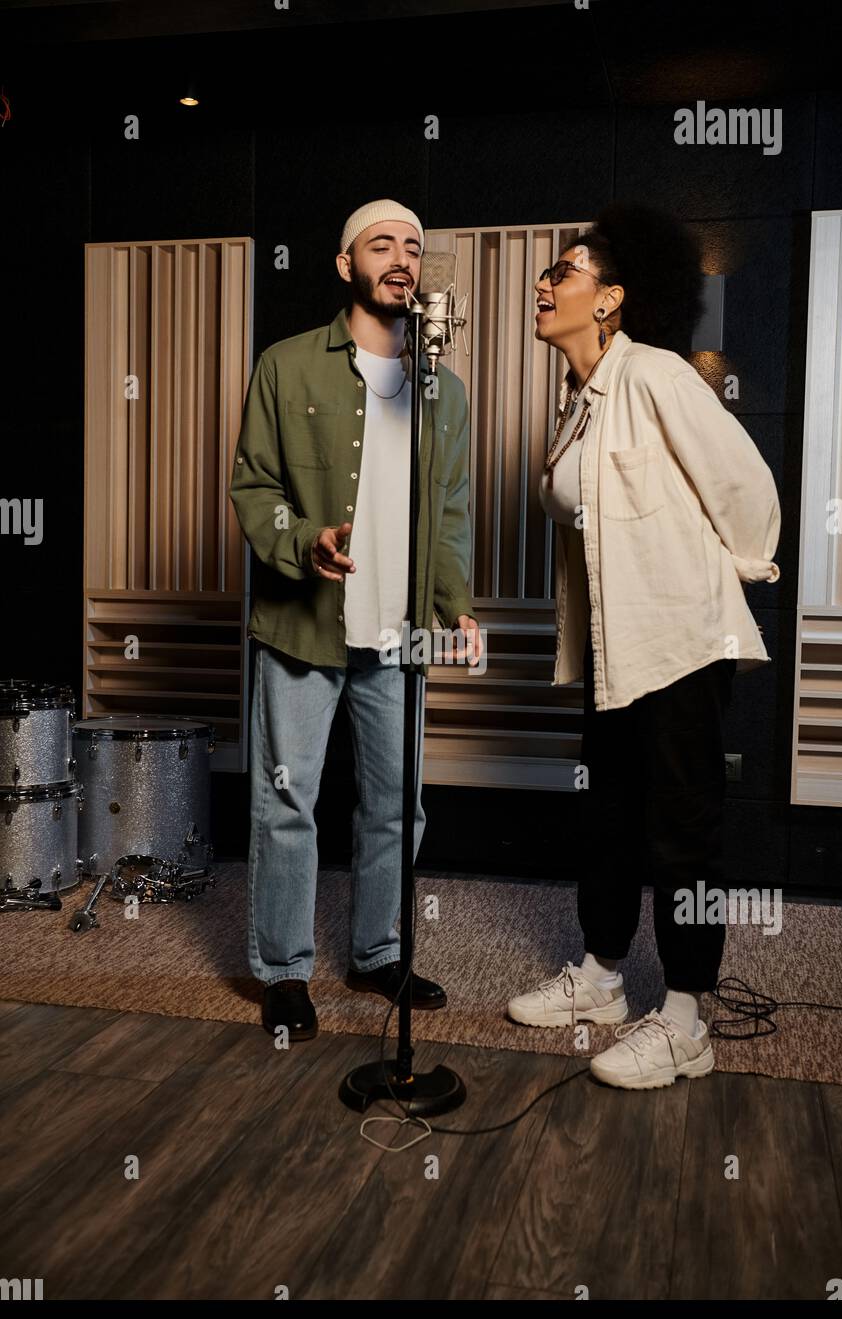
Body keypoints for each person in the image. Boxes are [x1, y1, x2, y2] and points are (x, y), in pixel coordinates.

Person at [506, 203, 781, 1089]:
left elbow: (745, 483)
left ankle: (688, 1020)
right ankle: (600, 981)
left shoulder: (657, 374)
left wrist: (727, 578)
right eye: (549, 271)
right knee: (611, 819)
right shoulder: (577, 404)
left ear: (613, 297)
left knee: (682, 834)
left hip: (680, 643)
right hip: (614, 653)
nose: (546, 282)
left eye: (569, 270)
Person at [230, 199, 483, 1040]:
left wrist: (456, 609)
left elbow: (451, 511)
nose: (403, 258)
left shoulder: (443, 387)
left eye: (415, 245)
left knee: (396, 803)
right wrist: (305, 542)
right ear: (347, 265)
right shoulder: (287, 366)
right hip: (304, 624)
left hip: (399, 631)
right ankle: (283, 969)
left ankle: (378, 952)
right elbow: (253, 487)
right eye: (383, 244)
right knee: (287, 800)